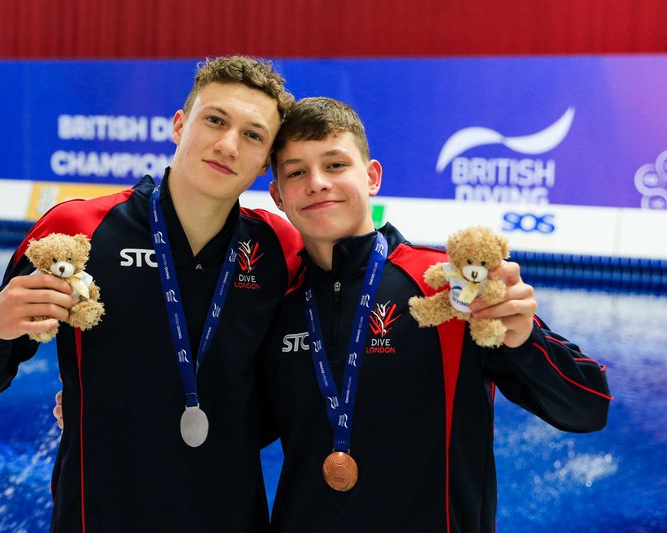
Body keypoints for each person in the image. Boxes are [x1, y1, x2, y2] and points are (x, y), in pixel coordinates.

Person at [0, 56, 303, 532]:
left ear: (265, 162)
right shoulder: (79, 230)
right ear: (179, 126)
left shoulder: (280, 249)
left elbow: (299, 381)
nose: (227, 145)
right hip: (99, 513)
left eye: (253, 136)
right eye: (214, 120)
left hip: (228, 515)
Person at [259, 97, 612, 531]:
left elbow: (589, 408)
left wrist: (525, 341)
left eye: (334, 165)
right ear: (277, 194)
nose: (316, 183)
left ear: (371, 178)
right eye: (296, 172)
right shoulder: (279, 303)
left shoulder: (449, 287)